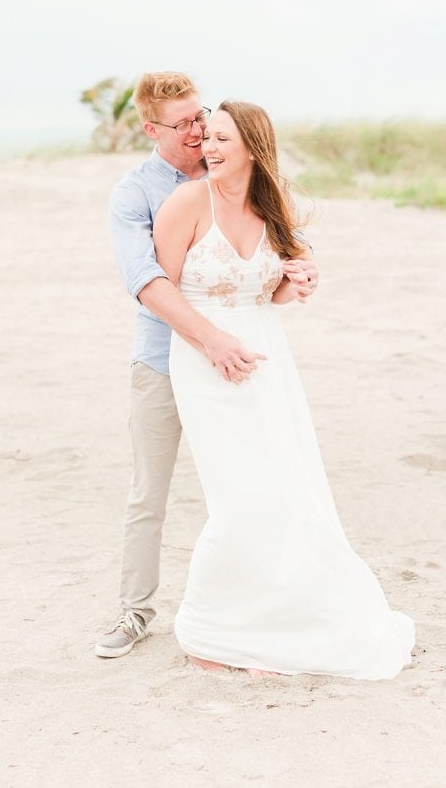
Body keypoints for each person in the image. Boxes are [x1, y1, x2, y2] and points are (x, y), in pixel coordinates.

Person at [152, 100, 415, 678]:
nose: (210, 147)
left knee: (288, 489)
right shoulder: (188, 202)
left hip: (268, 359)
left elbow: (274, 292)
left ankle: (275, 623)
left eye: (222, 138)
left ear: (252, 145)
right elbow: (155, 290)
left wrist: (300, 283)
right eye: (207, 137)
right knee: (239, 494)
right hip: (204, 360)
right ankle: (208, 632)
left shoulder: (274, 208)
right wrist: (213, 341)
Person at [95, 73, 319, 660]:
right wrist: (210, 340)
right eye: (186, 124)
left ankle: (266, 604)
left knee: (259, 482)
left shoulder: (238, 172)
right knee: (150, 493)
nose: (200, 132)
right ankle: (135, 610)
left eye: (204, 119)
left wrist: (299, 276)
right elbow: (145, 281)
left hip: (242, 357)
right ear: (152, 130)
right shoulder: (137, 193)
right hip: (165, 359)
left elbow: (281, 254)